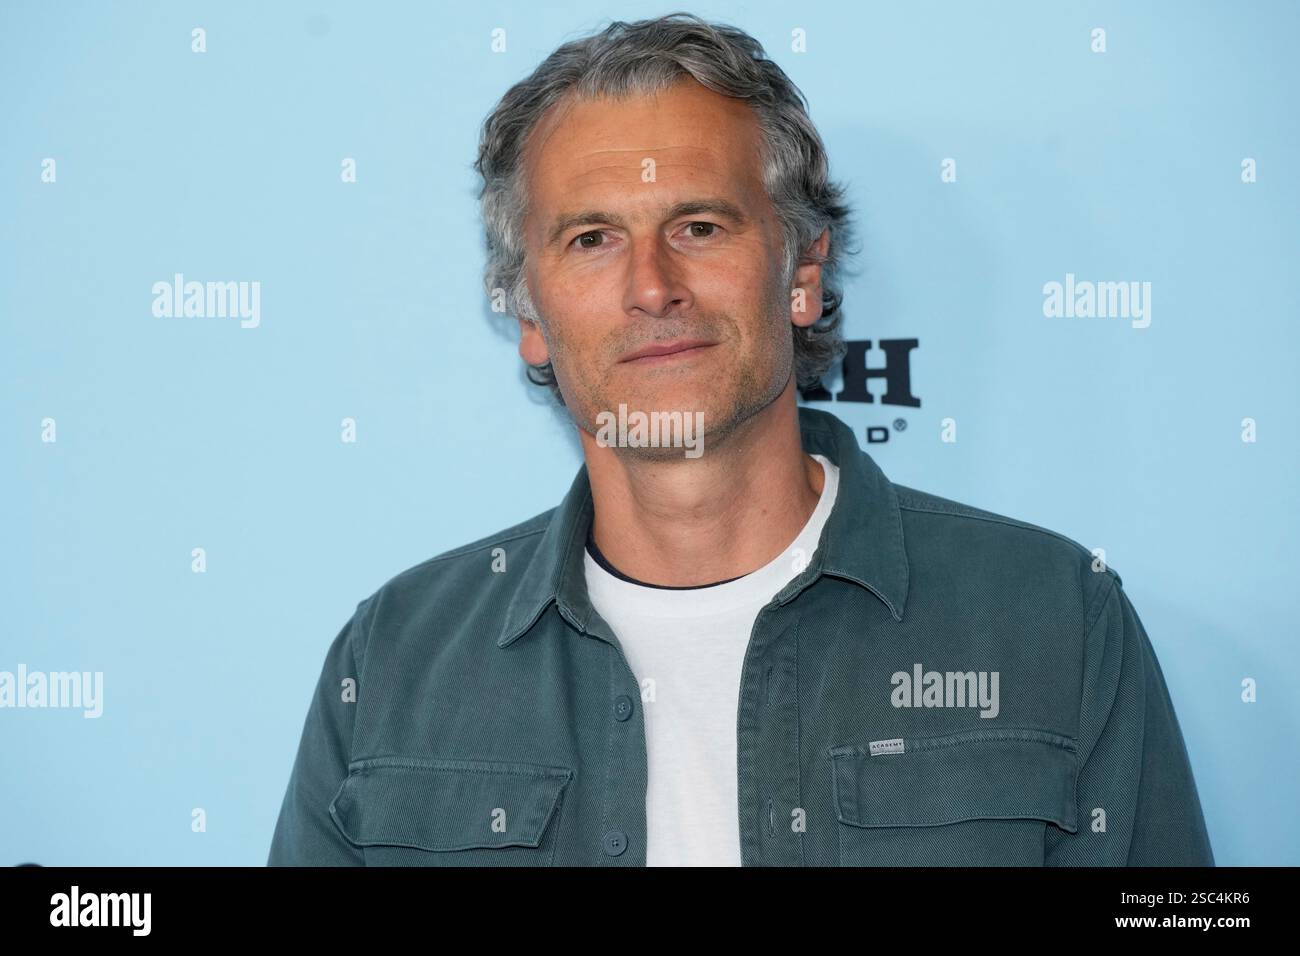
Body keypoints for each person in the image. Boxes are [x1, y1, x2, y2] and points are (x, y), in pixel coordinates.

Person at [268, 12, 1213, 866]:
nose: (651, 285)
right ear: (528, 312)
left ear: (801, 272)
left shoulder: (1050, 621)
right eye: (592, 238)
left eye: (700, 224)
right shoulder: (394, 661)